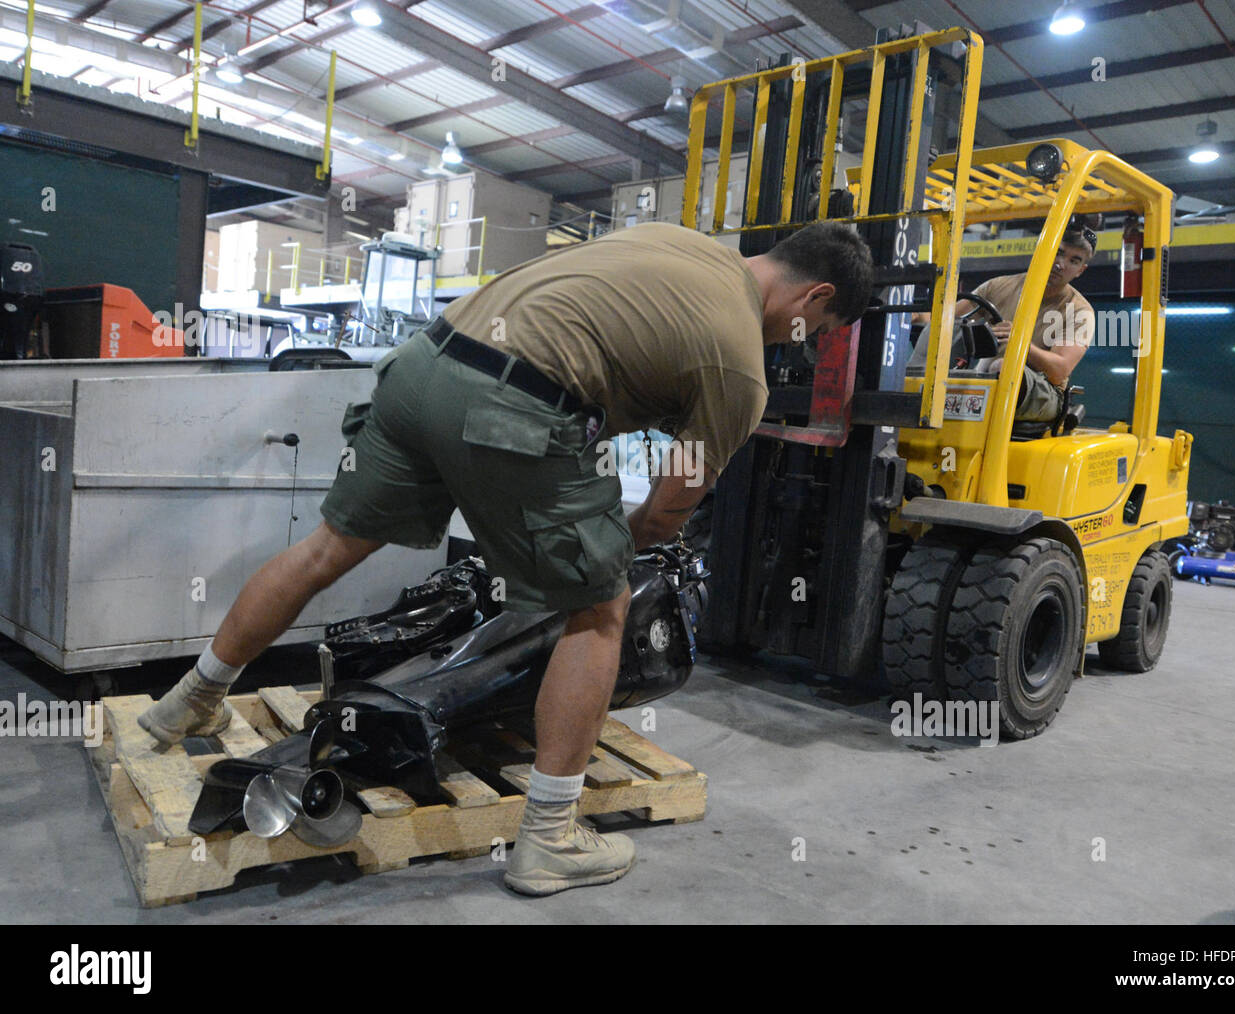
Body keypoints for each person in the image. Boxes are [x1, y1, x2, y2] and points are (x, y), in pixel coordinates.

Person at [138, 220, 874, 895]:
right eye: (817, 328)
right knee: (601, 607)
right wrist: (637, 533)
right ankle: (549, 839)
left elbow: (594, 330)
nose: (801, 342)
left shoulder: (677, 243)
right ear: (817, 293)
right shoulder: (742, 361)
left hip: (423, 368)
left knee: (328, 548)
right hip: (509, 409)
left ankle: (190, 699)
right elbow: (682, 483)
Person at [909, 218, 1097, 422]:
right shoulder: (998, 286)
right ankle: (910, 393)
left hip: (1043, 393)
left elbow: (1059, 371)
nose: (1061, 264)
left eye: (1073, 260)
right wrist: (918, 317)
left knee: (1002, 366)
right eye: (1059, 252)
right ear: (1043, 249)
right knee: (945, 330)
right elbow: (950, 318)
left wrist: (1020, 343)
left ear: (1080, 270)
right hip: (987, 379)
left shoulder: (1079, 311)